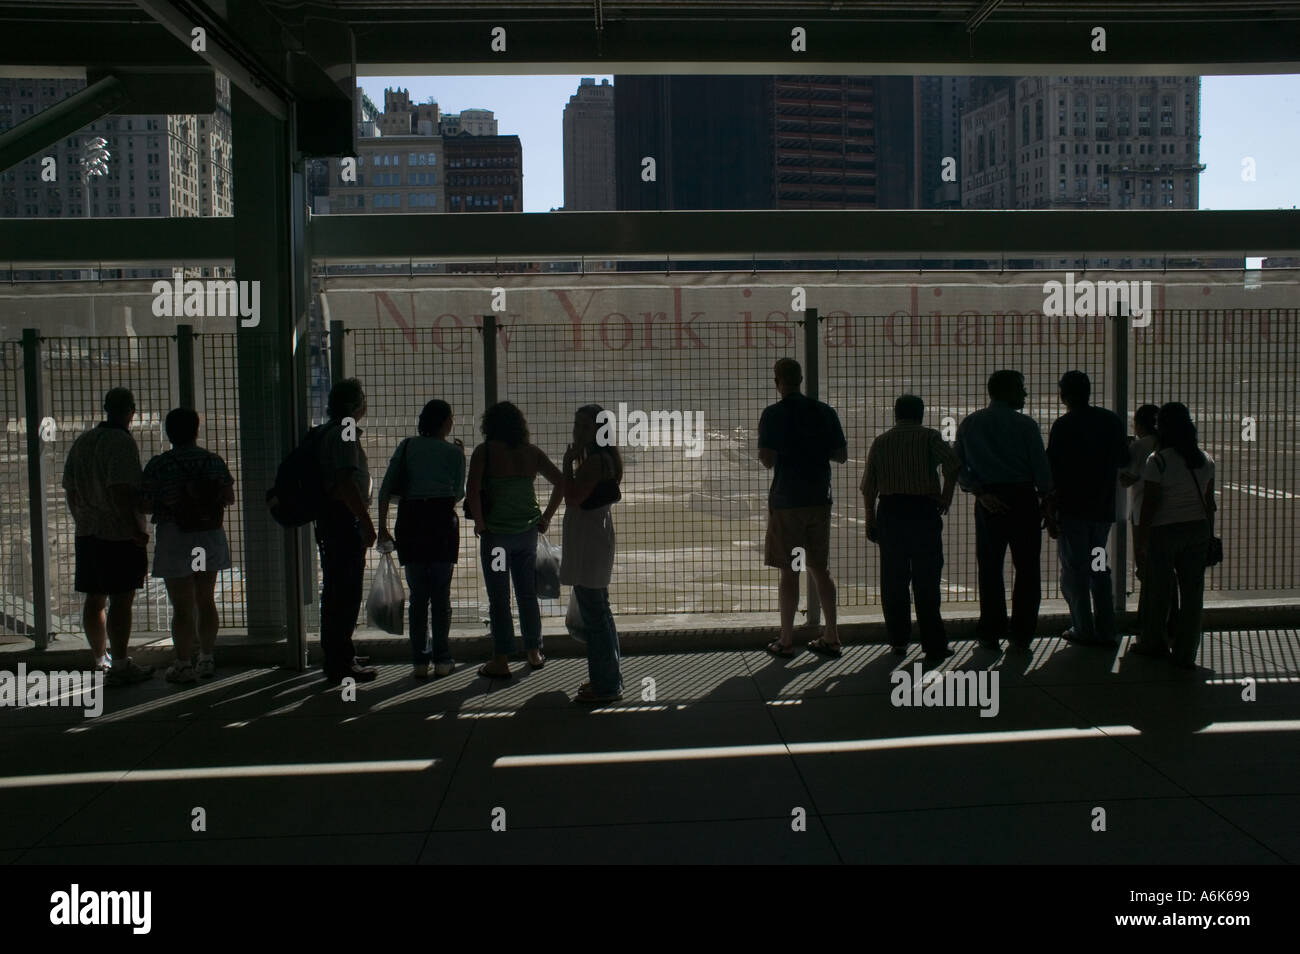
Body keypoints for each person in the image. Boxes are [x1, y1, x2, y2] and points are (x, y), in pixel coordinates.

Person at [954, 370, 1053, 651]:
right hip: (1023, 499)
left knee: (990, 568)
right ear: (1009, 392)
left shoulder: (970, 423)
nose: (1025, 394)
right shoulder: (1026, 425)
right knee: (1027, 568)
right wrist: (1046, 500)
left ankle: (991, 630)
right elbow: (1041, 470)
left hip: (988, 500)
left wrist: (979, 491)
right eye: (1021, 388)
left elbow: (957, 465)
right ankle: (1021, 633)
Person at [62, 387, 154, 685]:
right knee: (122, 599)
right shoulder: (121, 443)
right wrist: (133, 530)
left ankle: (100, 658)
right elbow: (119, 491)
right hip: (117, 534)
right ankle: (122, 663)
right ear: (131, 410)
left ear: (105, 408)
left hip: (87, 531)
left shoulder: (83, 442)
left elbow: (70, 488)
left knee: (95, 597)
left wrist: (82, 519)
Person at [861, 394, 960, 669]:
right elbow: (953, 466)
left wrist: (871, 518)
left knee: (893, 578)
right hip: (923, 511)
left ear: (896, 414)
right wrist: (945, 496)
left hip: (891, 511)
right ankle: (934, 644)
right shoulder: (930, 438)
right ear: (921, 413)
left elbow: (869, 486)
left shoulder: (881, 442)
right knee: (927, 577)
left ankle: (898, 639)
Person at [758, 358, 848, 658]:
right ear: (800, 378)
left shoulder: (773, 415)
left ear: (777, 380)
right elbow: (840, 455)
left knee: (790, 571)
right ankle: (832, 635)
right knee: (820, 569)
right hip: (818, 498)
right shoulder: (824, 412)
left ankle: (785, 640)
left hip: (787, 501)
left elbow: (768, 460)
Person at [467, 401, 563, 679]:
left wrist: (482, 525)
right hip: (527, 535)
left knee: (499, 598)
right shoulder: (532, 453)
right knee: (527, 594)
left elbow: (472, 490)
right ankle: (533, 652)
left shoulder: (484, 452)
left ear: (489, 425)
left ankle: (501, 659)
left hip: (496, 537)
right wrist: (546, 517)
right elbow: (561, 482)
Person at [140, 408, 235, 683]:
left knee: (182, 606)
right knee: (205, 601)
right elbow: (228, 497)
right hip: (207, 537)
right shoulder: (212, 461)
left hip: (176, 537)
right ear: (196, 430)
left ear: (169, 432)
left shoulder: (159, 465)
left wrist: (168, 502)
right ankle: (207, 657)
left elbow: (145, 504)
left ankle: (183, 663)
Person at [377, 400, 466, 680]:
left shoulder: (406, 447)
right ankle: (442, 658)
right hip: (441, 523)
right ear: (444, 422)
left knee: (418, 597)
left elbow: (385, 491)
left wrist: (382, 528)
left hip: (411, 522)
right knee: (441, 596)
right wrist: (459, 456)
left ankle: (418, 661)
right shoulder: (454, 453)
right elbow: (459, 493)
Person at [1045, 371, 1129, 647]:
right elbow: (1123, 459)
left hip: (1073, 511)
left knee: (1074, 569)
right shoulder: (1109, 421)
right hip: (1101, 511)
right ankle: (1107, 629)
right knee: (1098, 567)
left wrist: (1050, 510)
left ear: (1064, 394)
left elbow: (1052, 470)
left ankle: (1083, 627)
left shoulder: (1063, 426)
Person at [1133, 402, 1216, 669]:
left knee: (1159, 590)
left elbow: (1151, 504)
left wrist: (1142, 539)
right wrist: (1209, 534)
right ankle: (1186, 651)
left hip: (1165, 530)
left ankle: (1153, 642)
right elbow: (1209, 503)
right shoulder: (1205, 459)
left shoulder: (1157, 461)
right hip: (1198, 529)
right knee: (1193, 593)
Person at [559, 405, 624, 704]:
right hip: (596, 541)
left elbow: (572, 497)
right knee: (601, 612)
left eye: (585, 427)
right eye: (577, 425)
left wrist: (566, 464)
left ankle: (606, 686)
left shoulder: (593, 462)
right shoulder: (607, 459)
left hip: (588, 546)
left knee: (596, 616)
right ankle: (607, 678)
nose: (578, 431)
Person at [315, 378, 378, 685]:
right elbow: (345, 483)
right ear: (355, 406)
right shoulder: (345, 432)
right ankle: (340, 662)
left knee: (337, 588)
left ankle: (339, 653)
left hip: (332, 520)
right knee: (346, 590)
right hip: (343, 520)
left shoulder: (328, 431)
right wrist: (365, 521)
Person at [1119, 404, 1177, 642]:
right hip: (1171, 514)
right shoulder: (1173, 446)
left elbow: (1126, 480)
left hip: (1143, 511)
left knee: (1146, 568)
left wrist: (1123, 454)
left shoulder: (1141, 446)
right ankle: (1168, 621)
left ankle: (1149, 623)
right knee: (1166, 569)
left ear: (1139, 425)